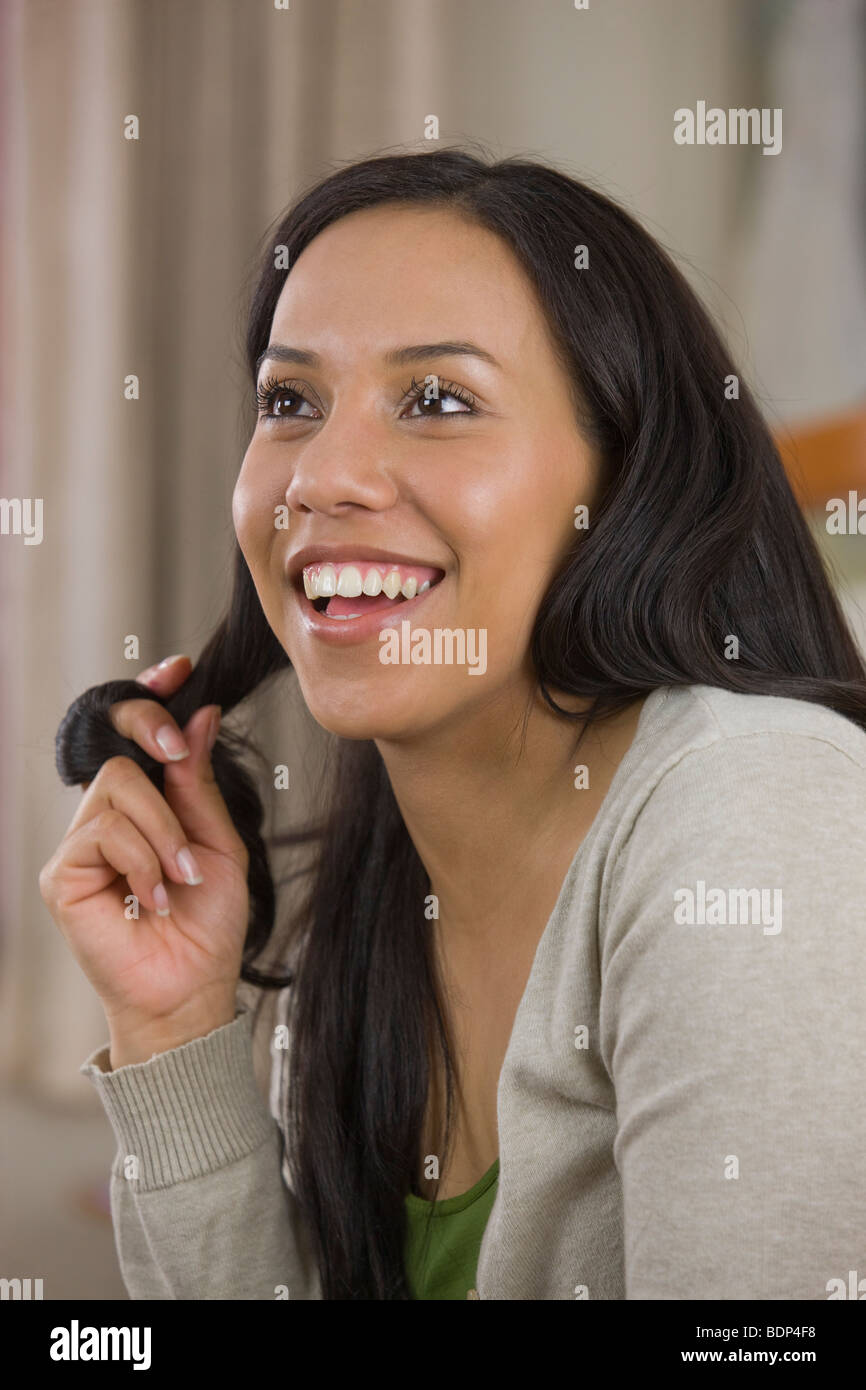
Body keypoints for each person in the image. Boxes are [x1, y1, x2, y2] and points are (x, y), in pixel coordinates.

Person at [40, 147, 866, 1300]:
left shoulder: (753, 814)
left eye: (436, 400)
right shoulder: (371, 898)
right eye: (290, 401)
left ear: (622, 485)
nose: (323, 477)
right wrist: (174, 1022)